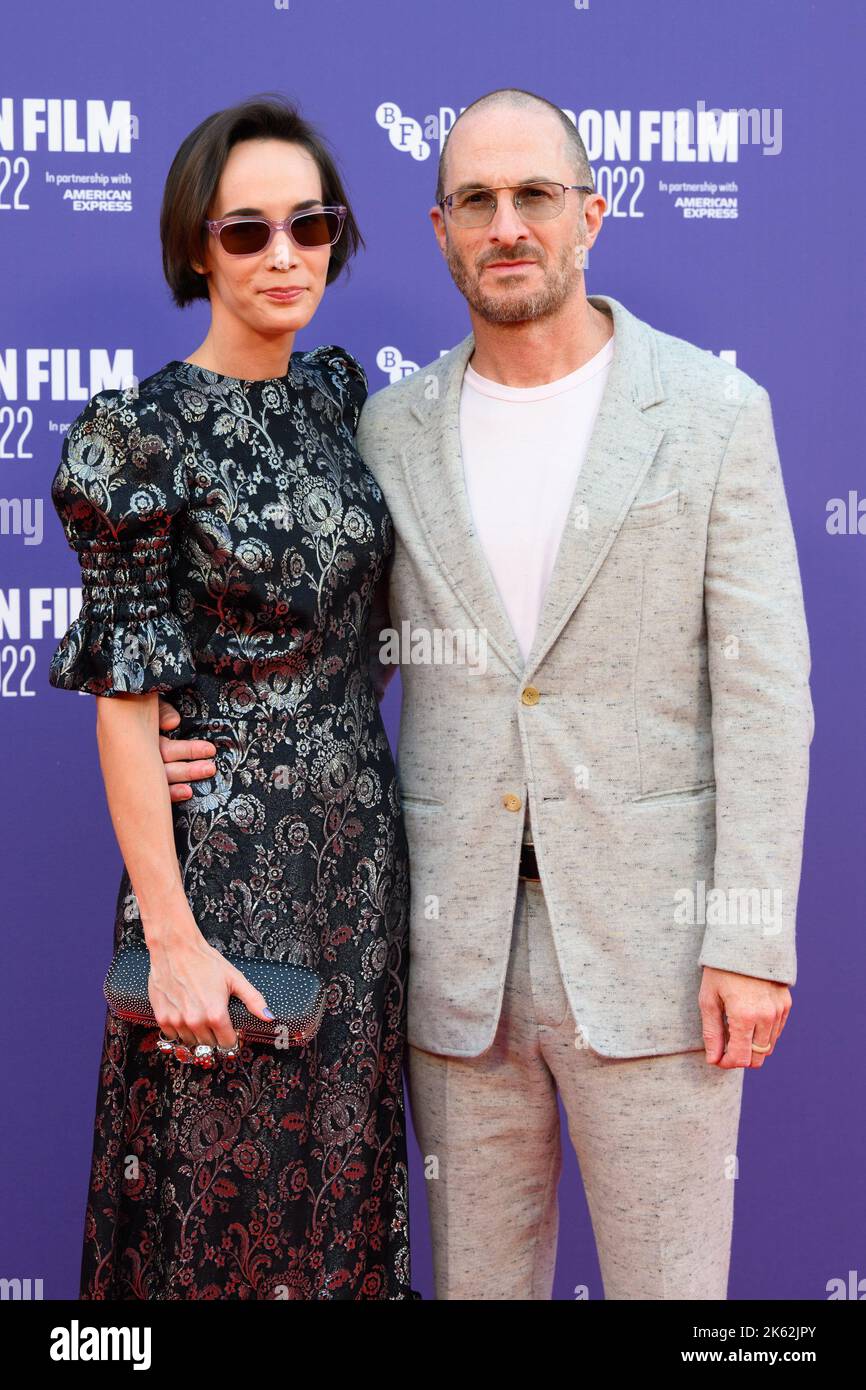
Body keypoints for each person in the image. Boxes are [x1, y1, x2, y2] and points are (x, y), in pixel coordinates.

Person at [157, 87, 814, 1300]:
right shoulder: (389, 429)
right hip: (449, 955)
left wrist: (749, 936)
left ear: (589, 215)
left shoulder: (715, 414)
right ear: (440, 226)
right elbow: (297, 611)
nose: (505, 224)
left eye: (533, 197)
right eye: (475, 201)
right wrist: (179, 723)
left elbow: (766, 695)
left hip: (658, 956)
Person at [48, 94, 417, 1300]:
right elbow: (123, 697)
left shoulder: (334, 398)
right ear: (193, 248)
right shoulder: (135, 438)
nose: (283, 256)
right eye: (244, 231)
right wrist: (169, 939)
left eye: (308, 226)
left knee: (332, 1188)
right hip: (222, 863)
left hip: (356, 868)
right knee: (220, 1191)